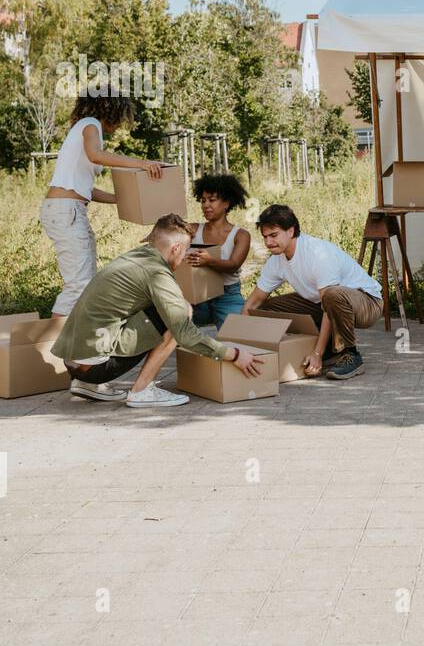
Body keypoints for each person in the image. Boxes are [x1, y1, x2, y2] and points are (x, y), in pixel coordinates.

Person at [52, 214, 262, 407]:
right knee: (182, 314)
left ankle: (85, 384)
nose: (183, 260)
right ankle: (142, 391)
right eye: (186, 251)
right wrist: (233, 355)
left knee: (169, 307)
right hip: (95, 368)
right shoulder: (157, 273)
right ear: (176, 249)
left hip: (74, 363)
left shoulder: (137, 257)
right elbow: (185, 334)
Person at [40, 88, 165, 317]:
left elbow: (86, 189)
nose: (118, 126)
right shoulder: (90, 124)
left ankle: (70, 348)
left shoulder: (81, 130)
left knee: (84, 284)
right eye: (120, 118)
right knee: (77, 287)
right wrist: (143, 163)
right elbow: (96, 155)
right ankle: (55, 348)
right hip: (67, 211)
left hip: (67, 209)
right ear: (111, 110)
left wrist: (121, 199)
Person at [243, 204, 383, 381]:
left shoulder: (317, 254)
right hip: (326, 303)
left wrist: (317, 353)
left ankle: (350, 353)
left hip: (367, 303)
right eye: (265, 237)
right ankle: (329, 350)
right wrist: (240, 342)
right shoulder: (276, 261)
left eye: (274, 235)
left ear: (291, 231)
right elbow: (253, 302)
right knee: (265, 306)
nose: (268, 242)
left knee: (332, 295)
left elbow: (328, 303)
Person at [185, 173, 251, 329]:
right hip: (196, 294)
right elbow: (170, 235)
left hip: (227, 295)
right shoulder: (193, 229)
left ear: (226, 203)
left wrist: (210, 261)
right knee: (168, 323)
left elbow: (233, 265)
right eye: (203, 201)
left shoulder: (240, 235)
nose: (206, 205)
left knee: (239, 336)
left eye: (212, 200)